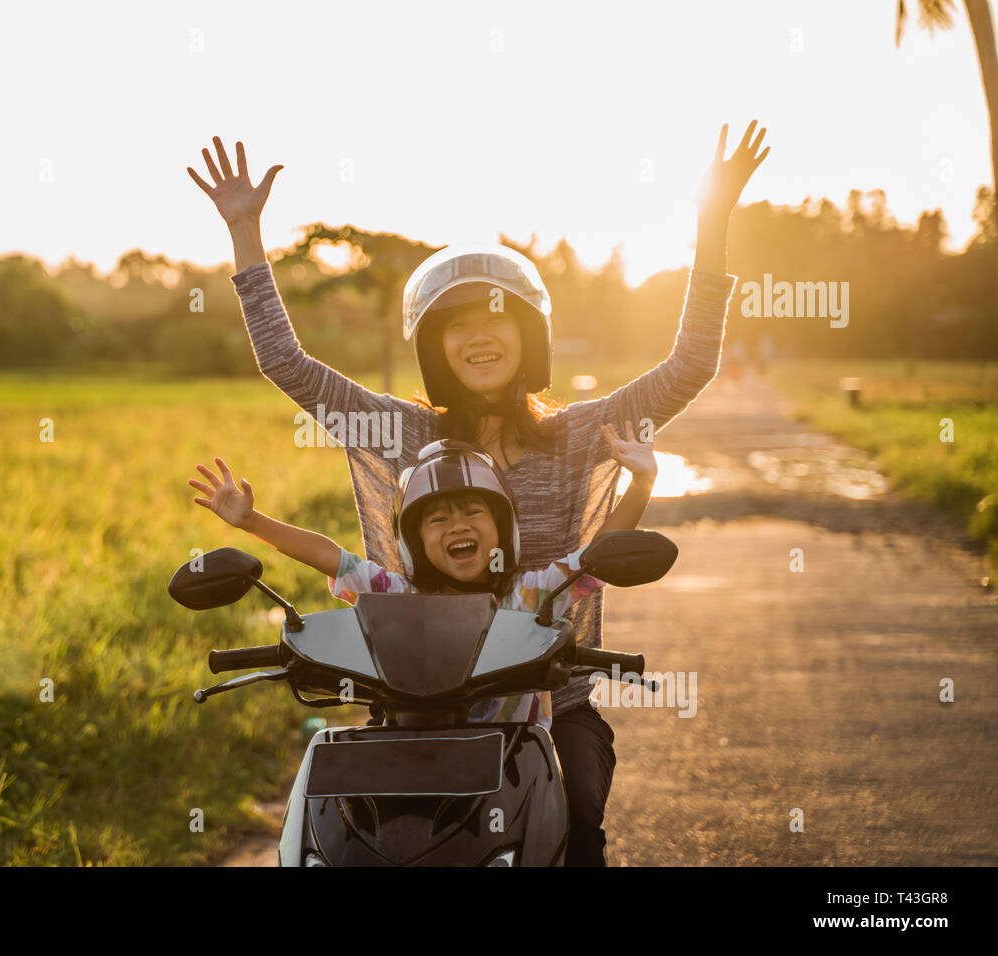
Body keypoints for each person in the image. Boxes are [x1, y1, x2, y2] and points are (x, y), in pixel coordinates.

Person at [187, 123, 768, 863]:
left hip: (548, 703)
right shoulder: (399, 432)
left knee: (579, 813)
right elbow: (287, 363)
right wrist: (245, 232)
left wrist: (712, 221)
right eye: (455, 325)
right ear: (434, 346)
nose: (478, 337)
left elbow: (688, 366)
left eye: (496, 318)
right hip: (413, 707)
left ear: (529, 335)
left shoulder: (581, 433)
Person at [189, 430, 657, 864]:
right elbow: (330, 555)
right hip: (411, 765)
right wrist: (251, 520)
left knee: (577, 825)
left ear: (501, 526)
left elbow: (595, 555)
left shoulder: (533, 595)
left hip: (509, 768)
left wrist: (640, 482)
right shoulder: (392, 595)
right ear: (414, 539)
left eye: (474, 512)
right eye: (437, 518)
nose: (457, 525)